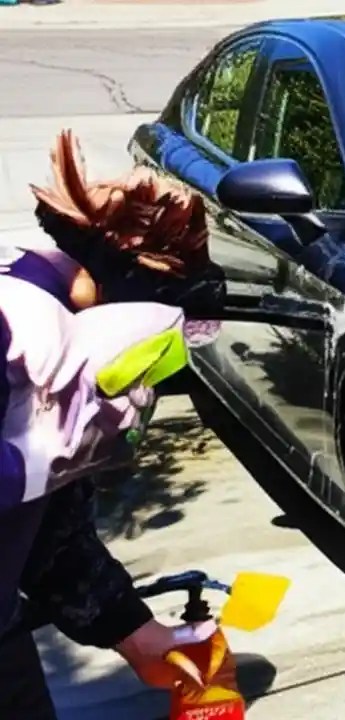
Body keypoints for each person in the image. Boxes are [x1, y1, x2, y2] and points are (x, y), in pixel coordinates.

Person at [0, 129, 216, 717]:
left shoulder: (57, 357)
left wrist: (139, 634)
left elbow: (52, 540)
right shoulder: (17, 327)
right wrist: (28, 466)